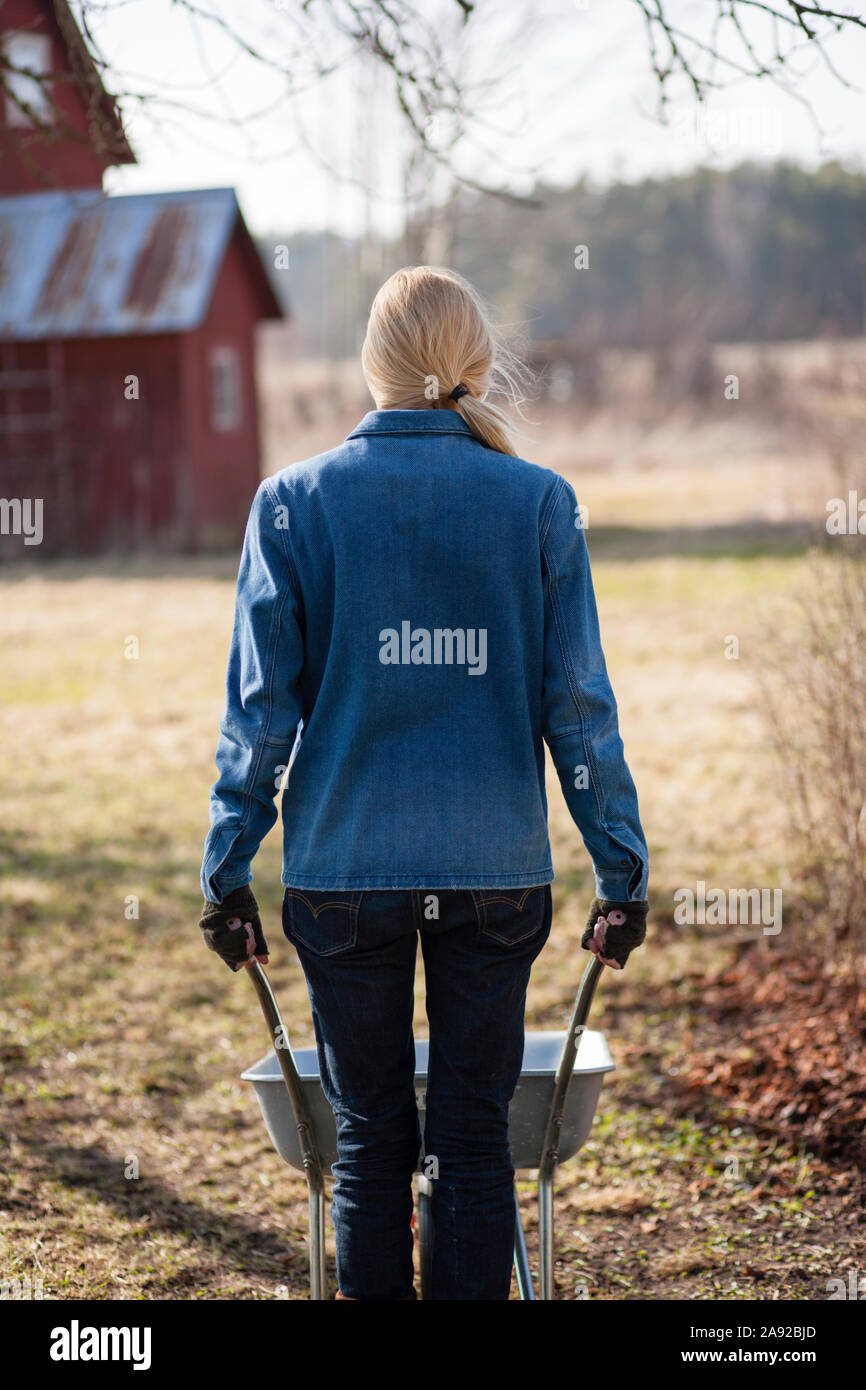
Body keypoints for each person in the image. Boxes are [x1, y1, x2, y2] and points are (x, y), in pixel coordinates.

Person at [198, 266, 649, 1301]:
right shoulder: (538, 504)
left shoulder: (290, 506)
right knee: (471, 1142)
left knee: (368, 1146)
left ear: (372, 365)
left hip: (342, 877)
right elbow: (576, 708)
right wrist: (618, 870)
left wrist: (224, 869)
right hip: (493, 877)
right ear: (474, 364)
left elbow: (258, 717)